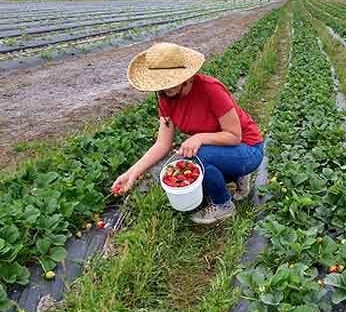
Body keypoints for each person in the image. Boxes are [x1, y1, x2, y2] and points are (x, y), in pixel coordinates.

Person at [112, 42, 264, 224]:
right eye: (161, 84)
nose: (166, 88)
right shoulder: (166, 98)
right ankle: (236, 175)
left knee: (197, 155)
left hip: (248, 148)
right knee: (184, 162)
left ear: (187, 77)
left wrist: (199, 138)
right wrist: (132, 173)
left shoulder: (211, 90)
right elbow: (162, 144)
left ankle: (224, 206)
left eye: (171, 82)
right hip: (220, 149)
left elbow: (234, 136)